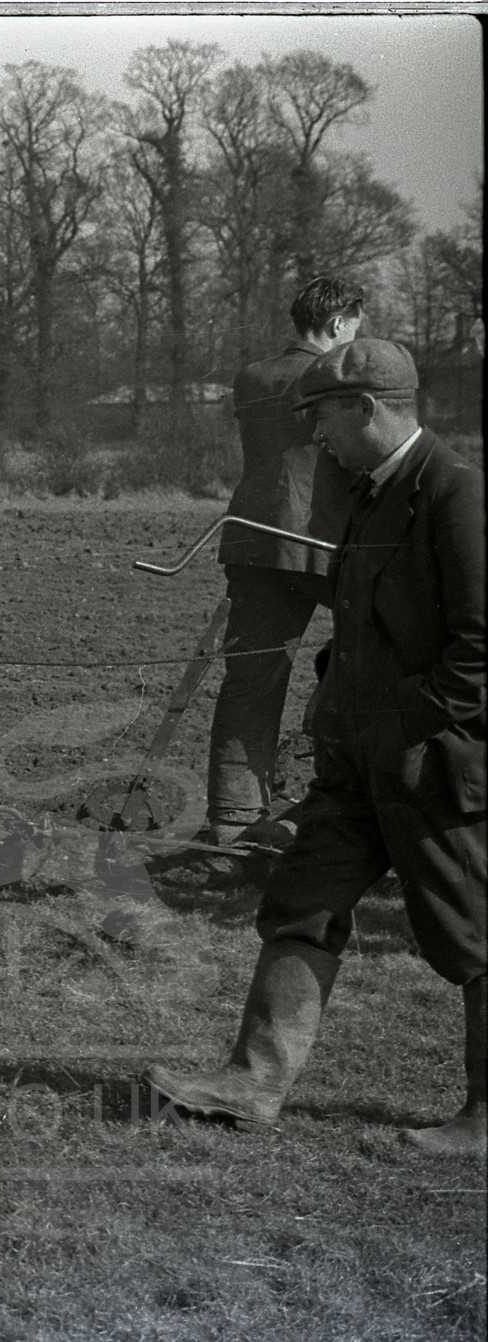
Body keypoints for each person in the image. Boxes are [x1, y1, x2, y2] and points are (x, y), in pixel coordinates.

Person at [145, 338, 485, 1158]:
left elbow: (480, 649)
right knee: (302, 898)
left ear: (368, 407)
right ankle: (253, 1081)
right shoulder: (371, 493)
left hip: (435, 764)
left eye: (324, 417)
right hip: (358, 761)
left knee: (472, 929)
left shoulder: (456, 497)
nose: (316, 436)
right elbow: (362, 627)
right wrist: (339, 711)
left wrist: (404, 727)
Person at [204, 276, 367, 847]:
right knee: (371, 665)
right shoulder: (338, 374)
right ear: (340, 323)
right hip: (325, 542)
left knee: (250, 678)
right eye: (355, 327)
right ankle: (354, 803)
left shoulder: (252, 377)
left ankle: (232, 816)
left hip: (251, 538)